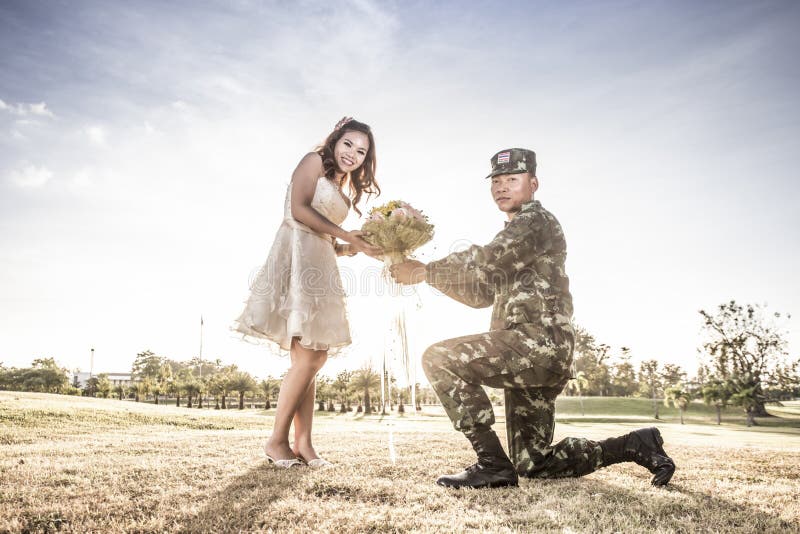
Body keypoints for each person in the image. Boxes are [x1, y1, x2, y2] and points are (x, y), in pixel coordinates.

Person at [390, 148, 676, 488]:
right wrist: (426, 275)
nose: (502, 187)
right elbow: (479, 294)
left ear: (533, 183)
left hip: (536, 346)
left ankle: (491, 463)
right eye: (496, 181)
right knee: (534, 462)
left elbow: (488, 258)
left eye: (512, 179)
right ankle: (634, 444)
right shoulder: (517, 236)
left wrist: (425, 269)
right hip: (531, 355)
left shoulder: (535, 222)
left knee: (438, 357)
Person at [235, 117, 382, 468]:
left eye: (361, 151)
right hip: (296, 257)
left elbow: (328, 240)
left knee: (314, 356)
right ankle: (276, 442)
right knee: (308, 357)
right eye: (348, 144)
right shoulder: (313, 161)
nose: (353, 154)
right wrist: (347, 235)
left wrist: (355, 246)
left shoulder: (341, 184)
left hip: (320, 265)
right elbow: (299, 210)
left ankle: (304, 443)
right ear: (335, 140)